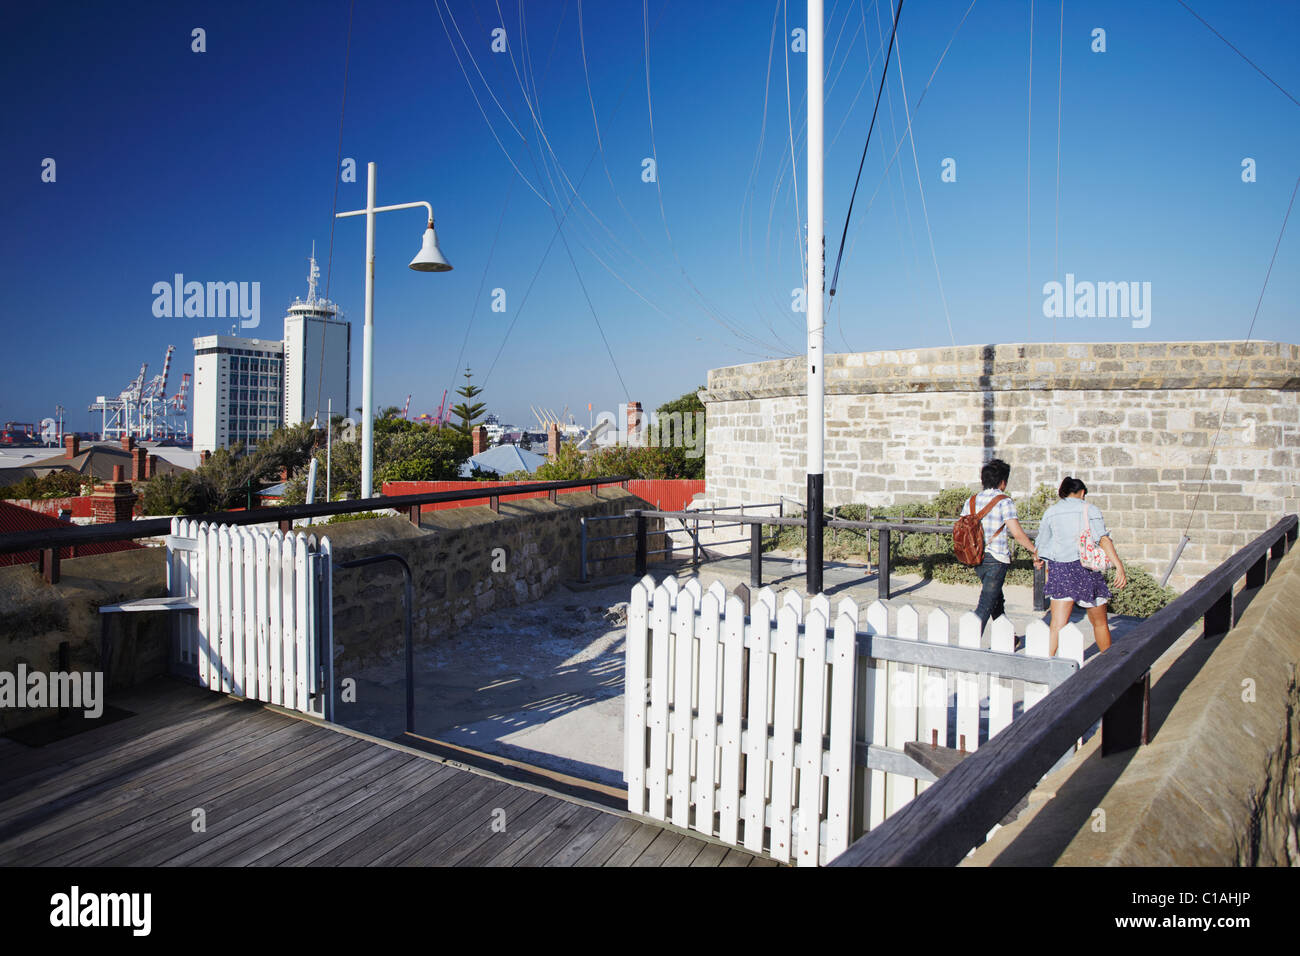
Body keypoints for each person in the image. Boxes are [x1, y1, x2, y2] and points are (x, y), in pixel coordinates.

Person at [1032, 476, 1127, 657]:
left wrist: (1038, 559)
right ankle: (1108, 664)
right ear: (1082, 492)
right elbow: (1103, 539)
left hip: (1060, 569)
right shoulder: (1089, 509)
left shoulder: (1051, 512)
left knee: (1056, 625)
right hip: (1086, 569)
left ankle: (1048, 663)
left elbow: (1041, 544)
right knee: (1099, 623)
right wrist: (1118, 566)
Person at [961, 458, 1036, 632]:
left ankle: (1009, 639)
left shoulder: (970, 501)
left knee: (995, 599)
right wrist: (1034, 550)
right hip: (996, 558)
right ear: (1003, 482)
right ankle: (970, 642)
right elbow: (1016, 533)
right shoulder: (1004, 501)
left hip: (976, 556)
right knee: (986, 603)